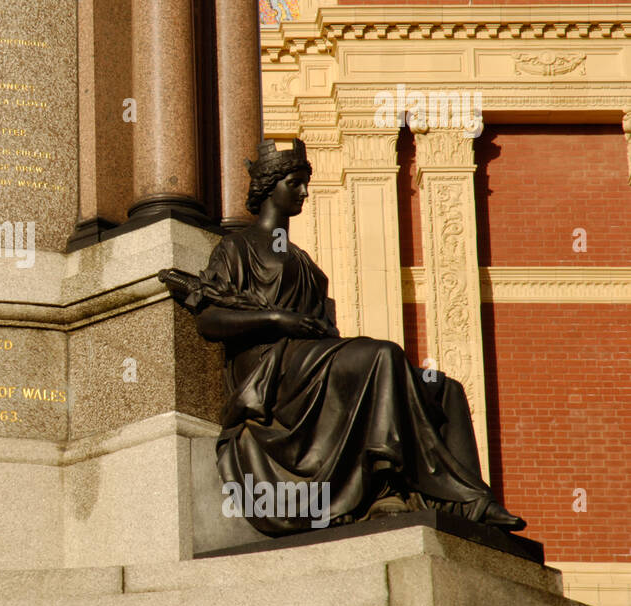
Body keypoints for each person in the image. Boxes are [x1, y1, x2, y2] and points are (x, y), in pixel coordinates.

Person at [159, 139, 524, 535]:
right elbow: (209, 322)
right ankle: (383, 487)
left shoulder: (306, 265)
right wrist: (277, 318)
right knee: (383, 355)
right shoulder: (237, 248)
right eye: (294, 183)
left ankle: (470, 501)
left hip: (314, 361)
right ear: (268, 186)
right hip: (272, 368)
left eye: (305, 183)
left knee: (442, 388)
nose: (304, 192)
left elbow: (327, 335)